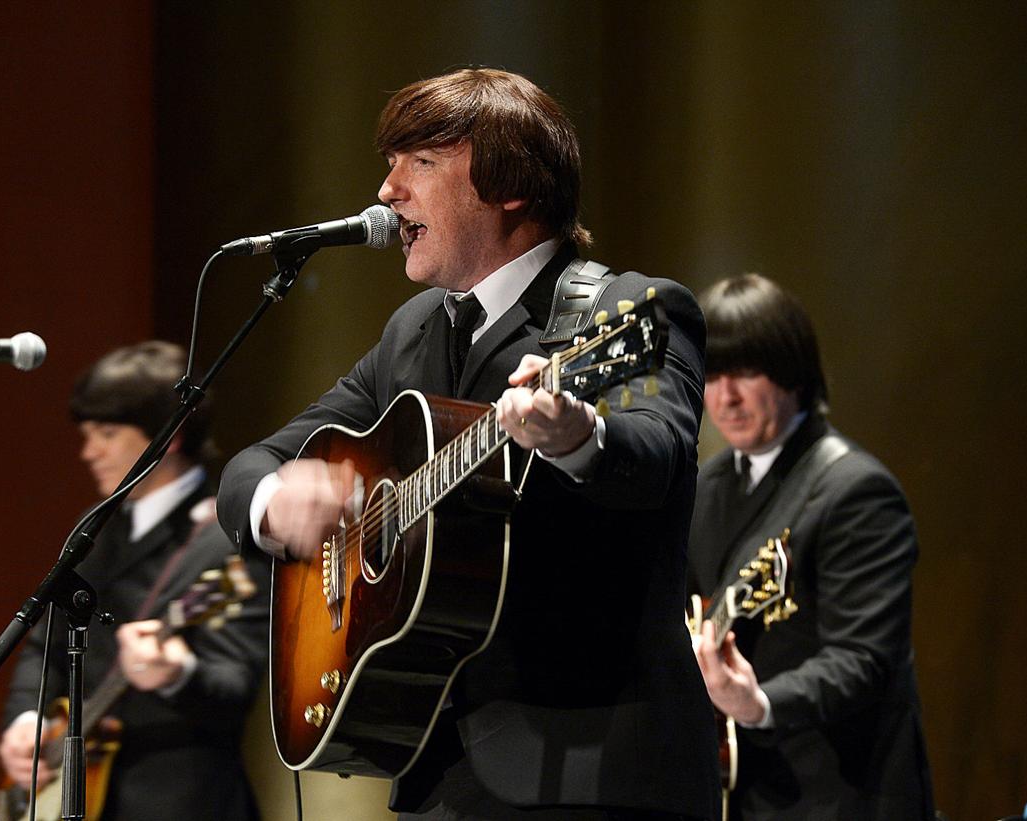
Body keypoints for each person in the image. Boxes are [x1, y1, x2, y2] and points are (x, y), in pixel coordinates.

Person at [217, 68, 720, 820]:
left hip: (593, 769)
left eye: (420, 163)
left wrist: (577, 433)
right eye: (392, 164)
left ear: (510, 185)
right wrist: (274, 500)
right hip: (435, 770)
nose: (387, 191)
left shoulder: (625, 310)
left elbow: (656, 454)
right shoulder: (413, 330)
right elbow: (255, 463)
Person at [688, 274, 935, 820]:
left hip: (844, 796)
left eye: (745, 372)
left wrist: (758, 704)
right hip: (742, 792)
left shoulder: (856, 491)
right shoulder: (708, 487)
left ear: (792, 371)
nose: (725, 398)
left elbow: (862, 659)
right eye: (713, 375)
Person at [0, 341, 270, 821]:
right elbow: (44, 647)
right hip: (78, 796)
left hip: (183, 801)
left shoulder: (230, 534)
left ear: (169, 436)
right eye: (87, 434)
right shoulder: (93, 528)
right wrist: (27, 720)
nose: (89, 452)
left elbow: (236, 689)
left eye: (106, 433)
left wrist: (178, 674)